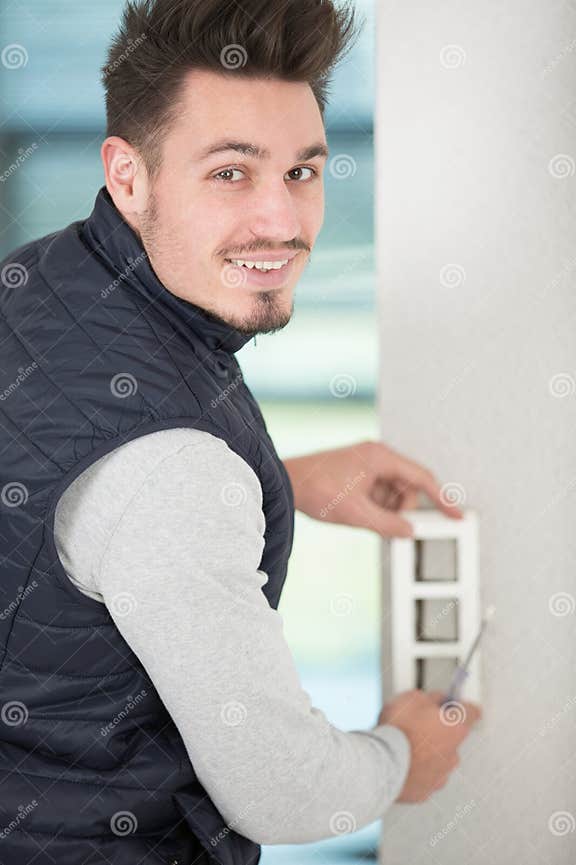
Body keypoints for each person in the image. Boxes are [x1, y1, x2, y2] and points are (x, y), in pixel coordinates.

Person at [0, 1, 481, 863]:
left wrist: (276, 481)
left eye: (303, 171)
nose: (281, 222)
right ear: (129, 175)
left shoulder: (38, 282)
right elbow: (281, 787)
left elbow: (48, 504)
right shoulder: (171, 471)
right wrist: (404, 754)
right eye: (231, 173)